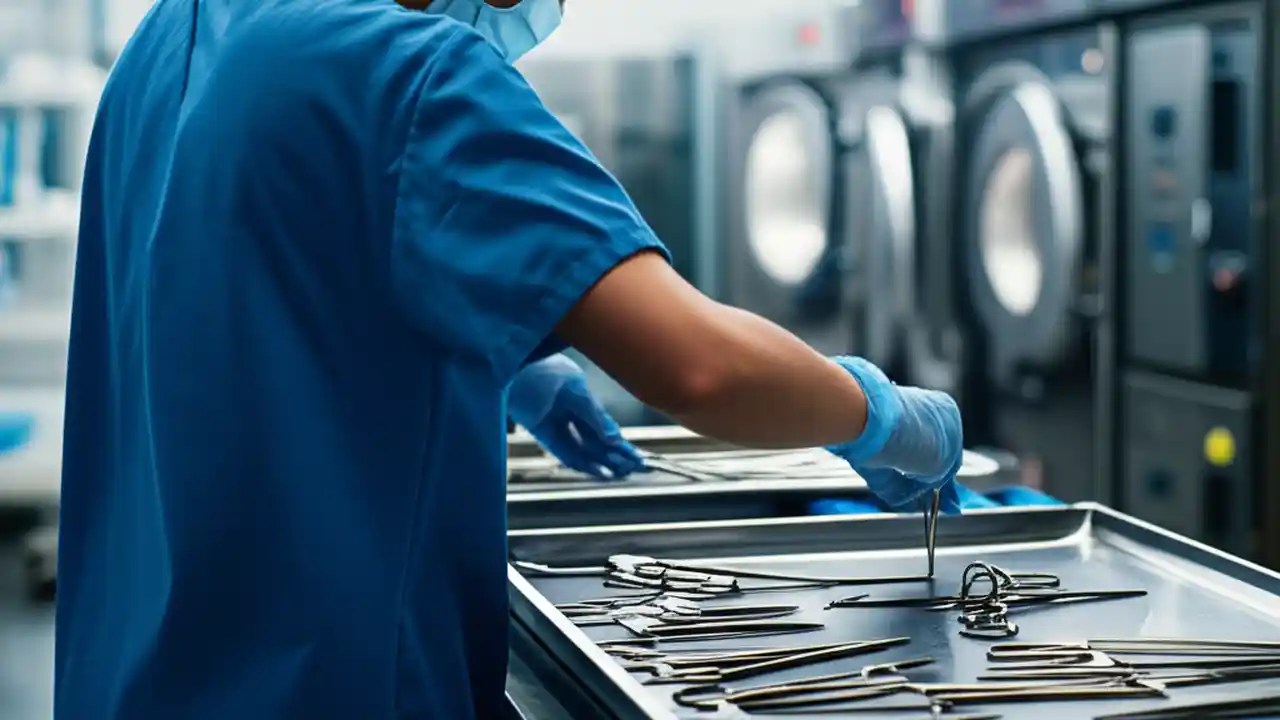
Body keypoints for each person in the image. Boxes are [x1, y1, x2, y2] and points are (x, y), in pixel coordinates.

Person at [55, 1, 965, 718]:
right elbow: (705, 366)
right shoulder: (408, 71)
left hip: (140, 680)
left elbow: (246, 272)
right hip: (329, 685)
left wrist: (518, 353)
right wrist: (878, 412)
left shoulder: (171, 34)